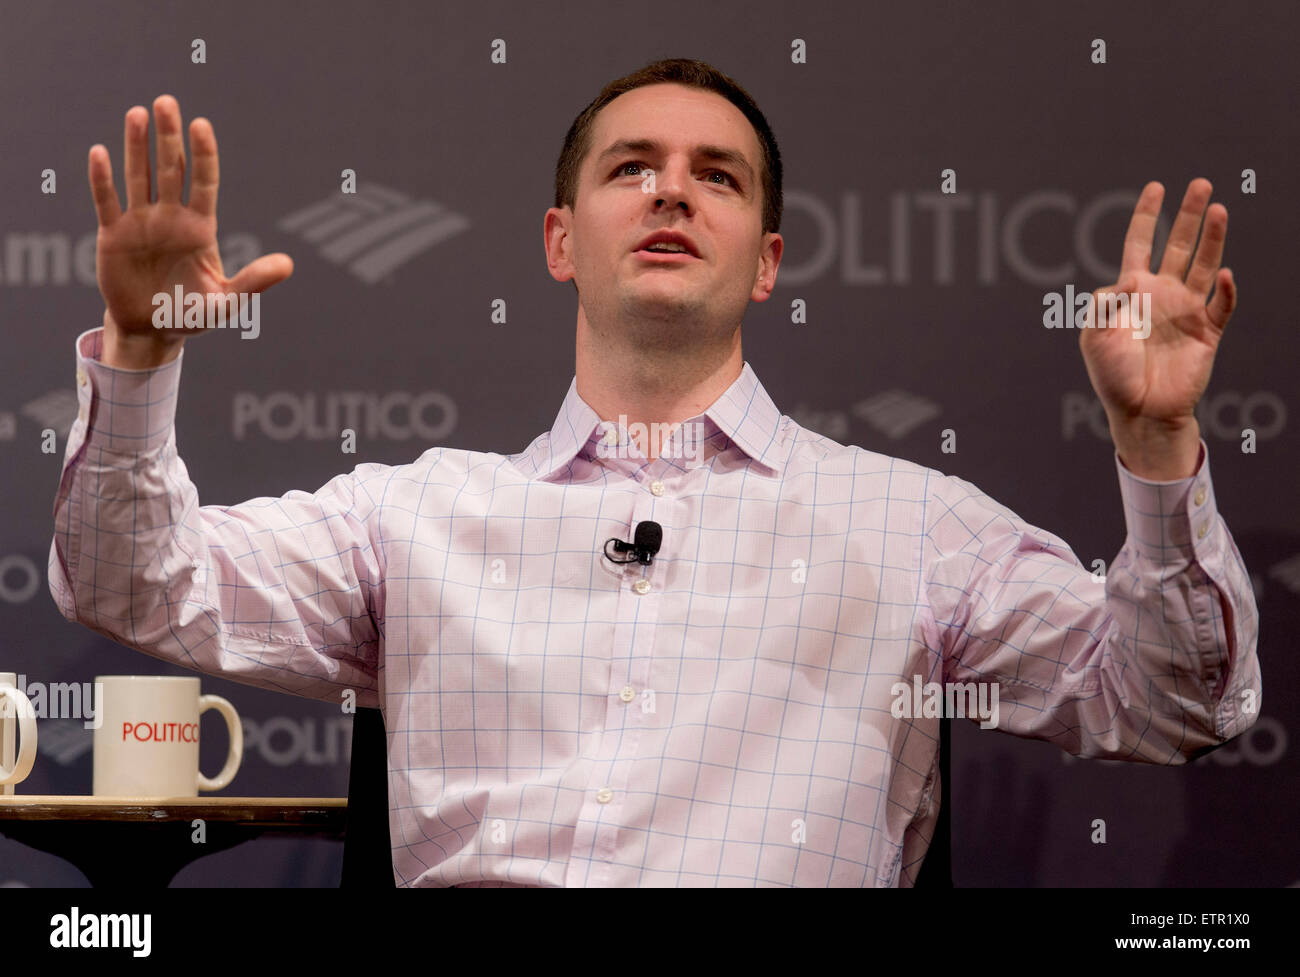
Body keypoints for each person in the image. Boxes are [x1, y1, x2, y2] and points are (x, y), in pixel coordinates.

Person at [49, 58, 1260, 887]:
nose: (672, 188)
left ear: (769, 260)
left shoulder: (913, 523)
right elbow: (132, 583)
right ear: (559, 241)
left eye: (715, 175)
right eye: (631, 166)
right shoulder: (409, 517)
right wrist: (145, 361)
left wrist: (1155, 448)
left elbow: (1172, 707)